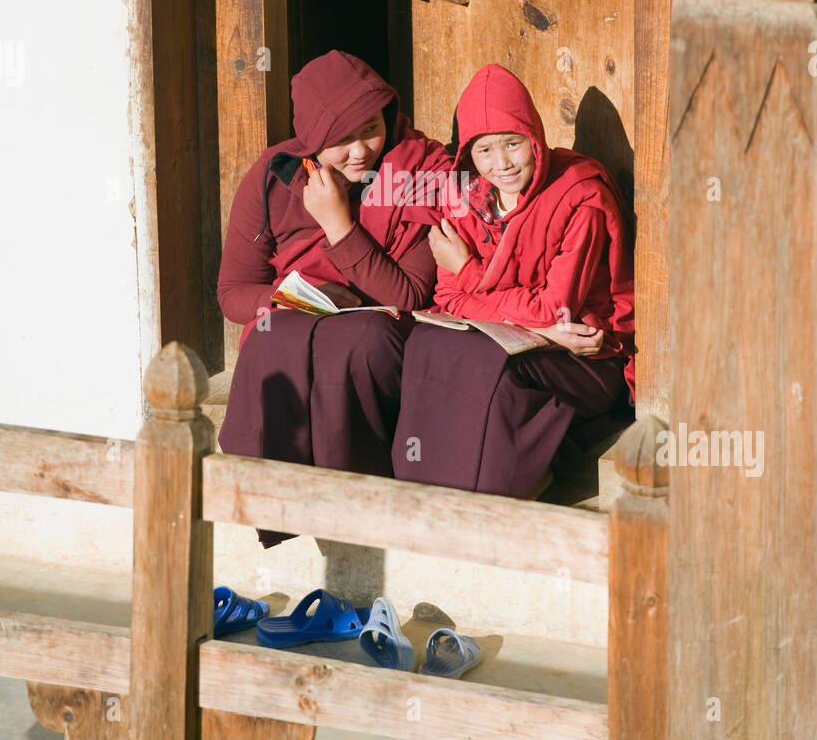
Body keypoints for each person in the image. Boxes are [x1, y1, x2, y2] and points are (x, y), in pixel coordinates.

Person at [216, 49, 452, 546]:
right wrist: (278, 301)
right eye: (339, 141)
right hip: (302, 312)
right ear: (311, 142)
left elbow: (409, 295)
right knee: (271, 334)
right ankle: (280, 506)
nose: (361, 151)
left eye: (370, 127)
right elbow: (233, 291)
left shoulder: (419, 172)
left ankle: (358, 504)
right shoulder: (274, 178)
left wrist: (338, 225)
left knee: (360, 336)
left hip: (385, 336)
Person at [391, 63, 635, 497]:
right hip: (547, 341)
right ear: (469, 155)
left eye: (512, 143)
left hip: (586, 357)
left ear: (535, 138)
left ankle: (499, 495)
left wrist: (470, 273)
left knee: (487, 368)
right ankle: (430, 498)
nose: (500, 164)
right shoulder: (468, 196)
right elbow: (446, 296)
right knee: (430, 344)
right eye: (484, 151)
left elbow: (553, 309)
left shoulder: (580, 196)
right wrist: (543, 330)